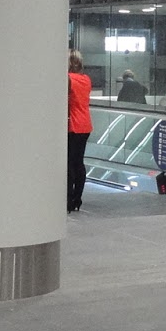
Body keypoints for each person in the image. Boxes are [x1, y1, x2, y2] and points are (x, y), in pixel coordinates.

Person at [67, 50, 92, 213]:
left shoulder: (68, 79)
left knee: (69, 164)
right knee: (79, 162)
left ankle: (68, 200)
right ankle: (77, 198)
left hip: (73, 124)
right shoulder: (86, 79)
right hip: (85, 124)